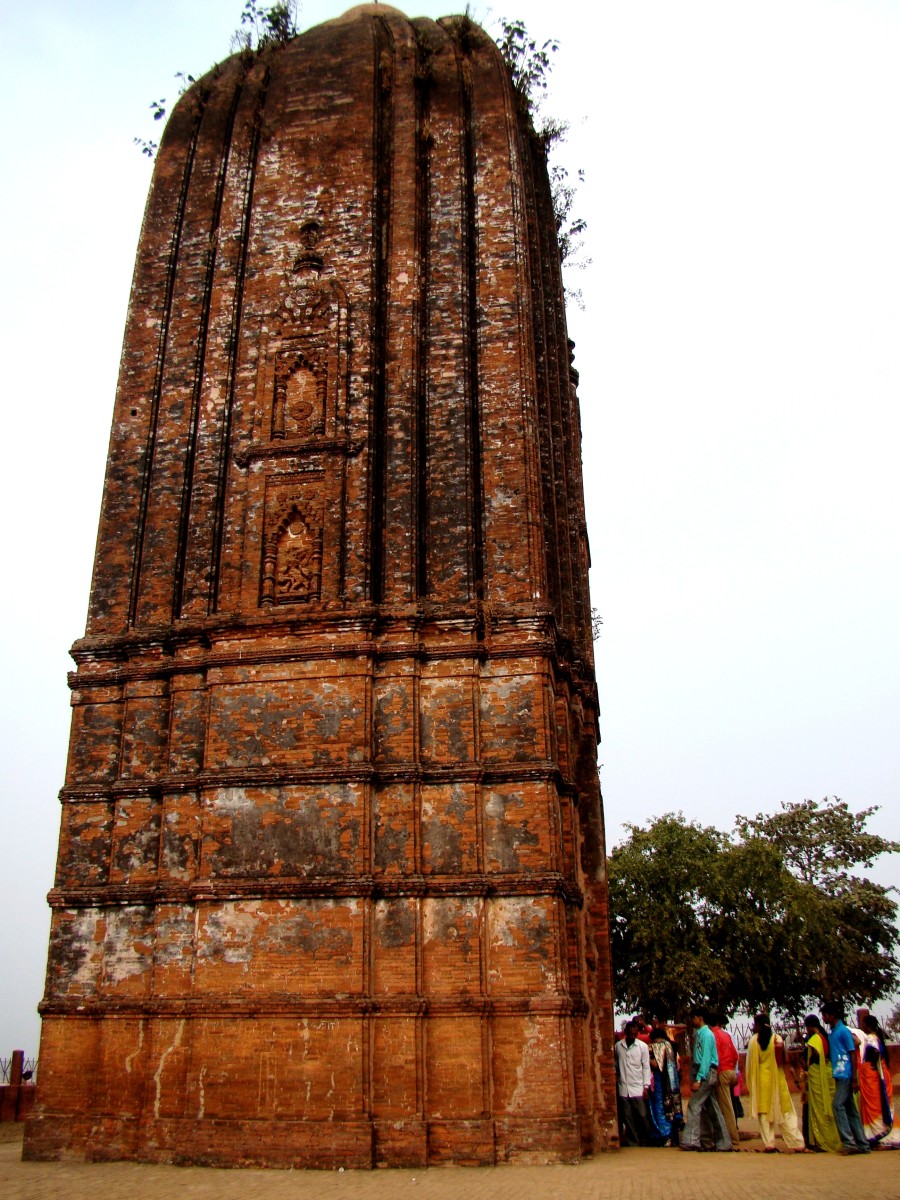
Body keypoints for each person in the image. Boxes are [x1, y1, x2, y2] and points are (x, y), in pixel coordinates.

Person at [745, 1013, 806, 1152]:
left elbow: (749, 1065)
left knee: (764, 1113)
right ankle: (797, 1143)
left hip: (761, 1081)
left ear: (758, 1025)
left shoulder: (753, 1041)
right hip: (777, 1080)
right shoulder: (776, 1038)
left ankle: (769, 1144)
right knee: (785, 1111)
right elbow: (782, 1060)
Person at [680, 1006, 733, 1151]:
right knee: (712, 1107)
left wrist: (699, 1078)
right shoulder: (699, 1034)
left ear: (699, 1017)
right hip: (703, 1071)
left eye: (693, 1018)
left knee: (694, 1105)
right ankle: (722, 1142)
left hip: (706, 1072)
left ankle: (692, 1139)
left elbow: (705, 1059)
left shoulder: (707, 1035)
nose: (692, 1021)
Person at [821, 1000, 870, 1154]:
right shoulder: (833, 1032)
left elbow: (852, 1054)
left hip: (846, 1074)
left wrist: (854, 1078)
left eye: (825, 1015)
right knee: (851, 1110)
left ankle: (849, 1142)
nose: (824, 1018)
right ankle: (862, 1144)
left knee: (837, 1105)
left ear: (832, 1015)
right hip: (839, 1073)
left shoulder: (843, 1031)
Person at [859, 1014, 900, 1147]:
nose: (862, 1026)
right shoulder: (877, 1037)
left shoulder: (871, 1038)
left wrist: (870, 1065)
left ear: (867, 1025)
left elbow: (874, 1052)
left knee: (876, 1107)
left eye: (863, 1024)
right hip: (880, 1075)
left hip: (874, 1077)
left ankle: (880, 1137)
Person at [802, 1014, 841, 1153]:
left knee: (818, 1108)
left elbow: (815, 1057)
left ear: (811, 1026)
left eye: (807, 1027)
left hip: (818, 1076)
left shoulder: (815, 1039)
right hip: (828, 1074)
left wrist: (807, 1065)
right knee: (828, 1105)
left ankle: (821, 1140)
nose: (806, 1030)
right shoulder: (826, 1037)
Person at [615, 1020, 652, 1145]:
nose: (632, 1037)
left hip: (638, 1087)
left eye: (634, 1034)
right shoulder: (618, 1046)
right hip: (624, 1087)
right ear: (626, 1033)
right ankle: (633, 1142)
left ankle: (645, 1139)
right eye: (630, 1034)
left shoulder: (642, 1047)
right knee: (628, 1117)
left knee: (642, 1115)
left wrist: (646, 1086)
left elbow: (646, 1066)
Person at [647, 1026, 684, 1146]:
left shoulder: (658, 1046)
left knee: (660, 1109)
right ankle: (673, 1137)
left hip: (660, 1083)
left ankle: (664, 1136)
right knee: (672, 1109)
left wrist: (645, 1058)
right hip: (673, 1084)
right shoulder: (670, 1045)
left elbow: (656, 1065)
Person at [709, 1012, 740, 1146]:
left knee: (726, 1108)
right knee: (729, 1105)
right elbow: (735, 1055)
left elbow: (716, 1057)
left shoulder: (714, 1035)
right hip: (732, 1071)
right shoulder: (726, 1034)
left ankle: (732, 1138)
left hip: (723, 1072)